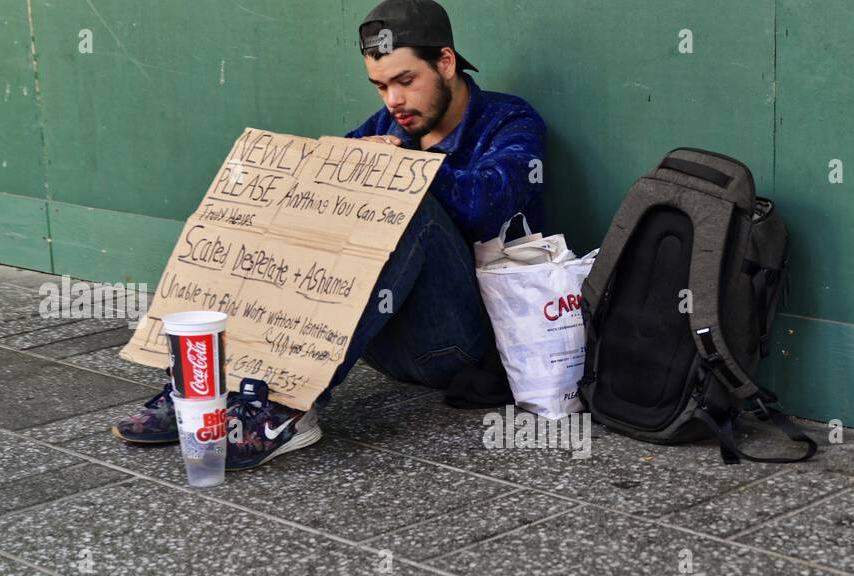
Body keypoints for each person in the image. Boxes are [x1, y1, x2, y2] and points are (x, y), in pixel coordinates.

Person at [112, 0, 545, 470]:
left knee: (408, 201)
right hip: (382, 342)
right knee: (290, 208)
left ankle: (288, 408)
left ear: (444, 62)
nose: (392, 102)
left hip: (456, 345)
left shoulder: (509, 120)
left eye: (404, 81)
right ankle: (203, 386)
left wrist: (401, 167)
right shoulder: (385, 126)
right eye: (380, 86)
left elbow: (486, 206)